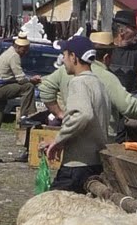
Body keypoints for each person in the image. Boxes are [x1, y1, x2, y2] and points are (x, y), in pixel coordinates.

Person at [41, 35, 112, 194]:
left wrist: (59, 139)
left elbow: (83, 115)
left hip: (77, 165)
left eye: (65, 55)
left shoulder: (78, 82)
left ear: (73, 57)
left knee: (51, 211)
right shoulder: (98, 83)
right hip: (95, 163)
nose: (63, 60)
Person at [0, 33, 38, 163]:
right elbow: (21, 80)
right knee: (28, 87)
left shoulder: (8, 52)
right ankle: (26, 115)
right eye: (25, 49)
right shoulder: (14, 56)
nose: (26, 52)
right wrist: (32, 80)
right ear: (18, 47)